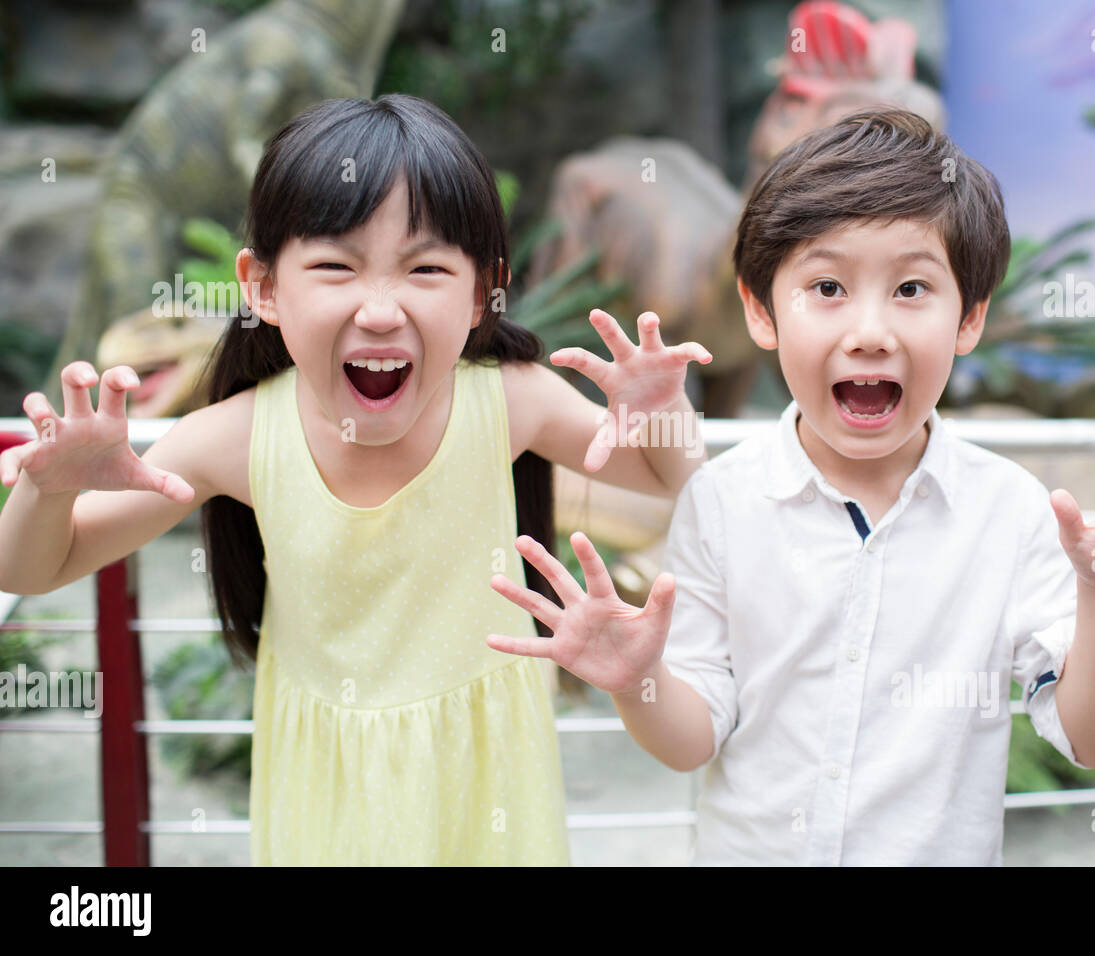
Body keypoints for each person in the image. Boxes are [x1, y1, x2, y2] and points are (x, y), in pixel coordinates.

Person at [485, 108, 1095, 865]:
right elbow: (692, 743)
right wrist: (638, 680)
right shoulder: (721, 502)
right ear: (760, 311)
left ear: (969, 320)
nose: (869, 330)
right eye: (826, 289)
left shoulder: (1010, 512)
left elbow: (1094, 741)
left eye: (912, 290)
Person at [0, 94, 711, 865]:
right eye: (336, 266)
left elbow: (670, 480)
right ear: (263, 286)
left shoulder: (512, 398)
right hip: (324, 787)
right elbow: (35, 568)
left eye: (426, 268)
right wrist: (50, 490)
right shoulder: (234, 437)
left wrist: (665, 413)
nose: (379, 310)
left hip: (488, 776)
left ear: (482, 290)